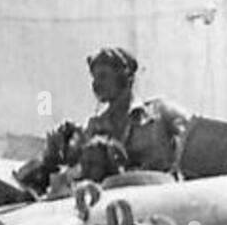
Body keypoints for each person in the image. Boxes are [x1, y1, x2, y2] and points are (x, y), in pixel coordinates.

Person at [17, 47, 190, 191]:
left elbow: (198, 136)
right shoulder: (93, 128)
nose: (96, 84)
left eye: (103, 76)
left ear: (126, 76)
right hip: (112, 203)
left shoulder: (161, 112)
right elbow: (68, 171)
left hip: (163, 197)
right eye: (94, 78)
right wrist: (55, 151)